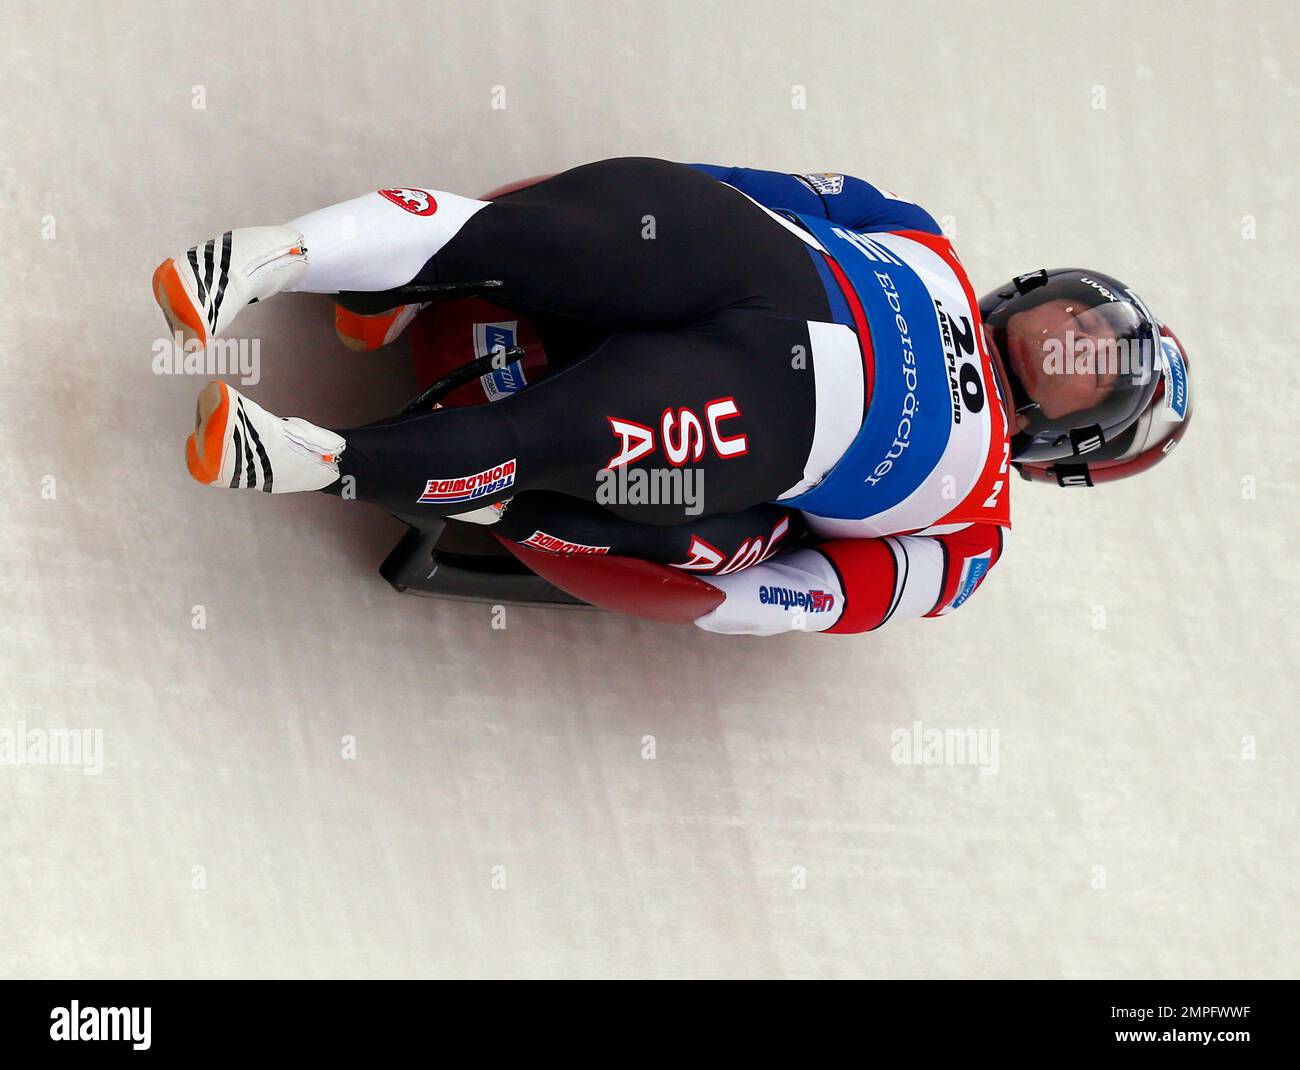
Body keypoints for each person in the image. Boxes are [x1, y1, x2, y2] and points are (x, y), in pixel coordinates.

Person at [152, 158, 1192, 635]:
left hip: (770, 417)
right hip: (753, 264)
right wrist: (620, 201)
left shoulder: (972, 543)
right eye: (1080, 317)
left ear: (1074, 440)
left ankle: (316, 457)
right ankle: (273, 256)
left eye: (1093, 363)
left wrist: (669, 564)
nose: (1068, 339)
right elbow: (756, 188)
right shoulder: (919, 232)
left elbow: (803, 595)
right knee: (529, 235)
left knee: (560, 437)